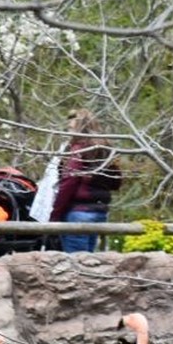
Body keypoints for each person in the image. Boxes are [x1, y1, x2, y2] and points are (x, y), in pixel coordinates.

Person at [50, 108, 122, 253]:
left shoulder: (78, 149)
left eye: (70, 127)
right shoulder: (105, 149)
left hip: (79, 212)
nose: (68, 131)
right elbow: (116, 181)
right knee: (89, 261)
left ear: (79, 127)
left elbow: (69, 182)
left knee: (77, 263)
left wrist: (55, 214)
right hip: (99, 212)